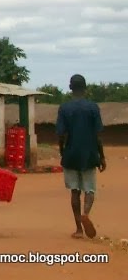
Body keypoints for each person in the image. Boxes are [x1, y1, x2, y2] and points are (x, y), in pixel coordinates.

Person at [57, 74, 106, 239]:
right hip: (90, 154)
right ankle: (86, 213)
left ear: (70, 88)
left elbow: (61, 134)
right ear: (85, 88)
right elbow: (98, 135)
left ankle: (78, 228)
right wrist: (102, 156)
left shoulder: (64, 108)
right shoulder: (93, 108)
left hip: (71, 154)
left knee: (75, 191)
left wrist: (62, 151)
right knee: (89, 189)